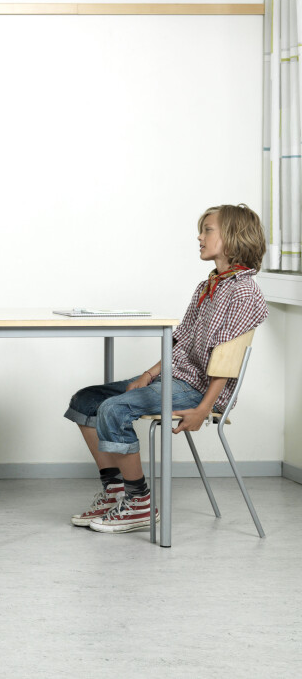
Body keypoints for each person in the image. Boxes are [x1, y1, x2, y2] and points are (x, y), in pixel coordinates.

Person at [66, 203, 268, 534]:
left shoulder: (244, 292)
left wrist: (204, 409)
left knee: (115, 409)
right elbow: (180, 342)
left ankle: (140, 502)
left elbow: (226, 362)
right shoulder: (207, 287)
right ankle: (115, 491)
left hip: (200, 390)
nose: (199, 237)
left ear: (232, 237)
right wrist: (147, 375)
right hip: (176, 379)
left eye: (208, 230)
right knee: (85, 400)